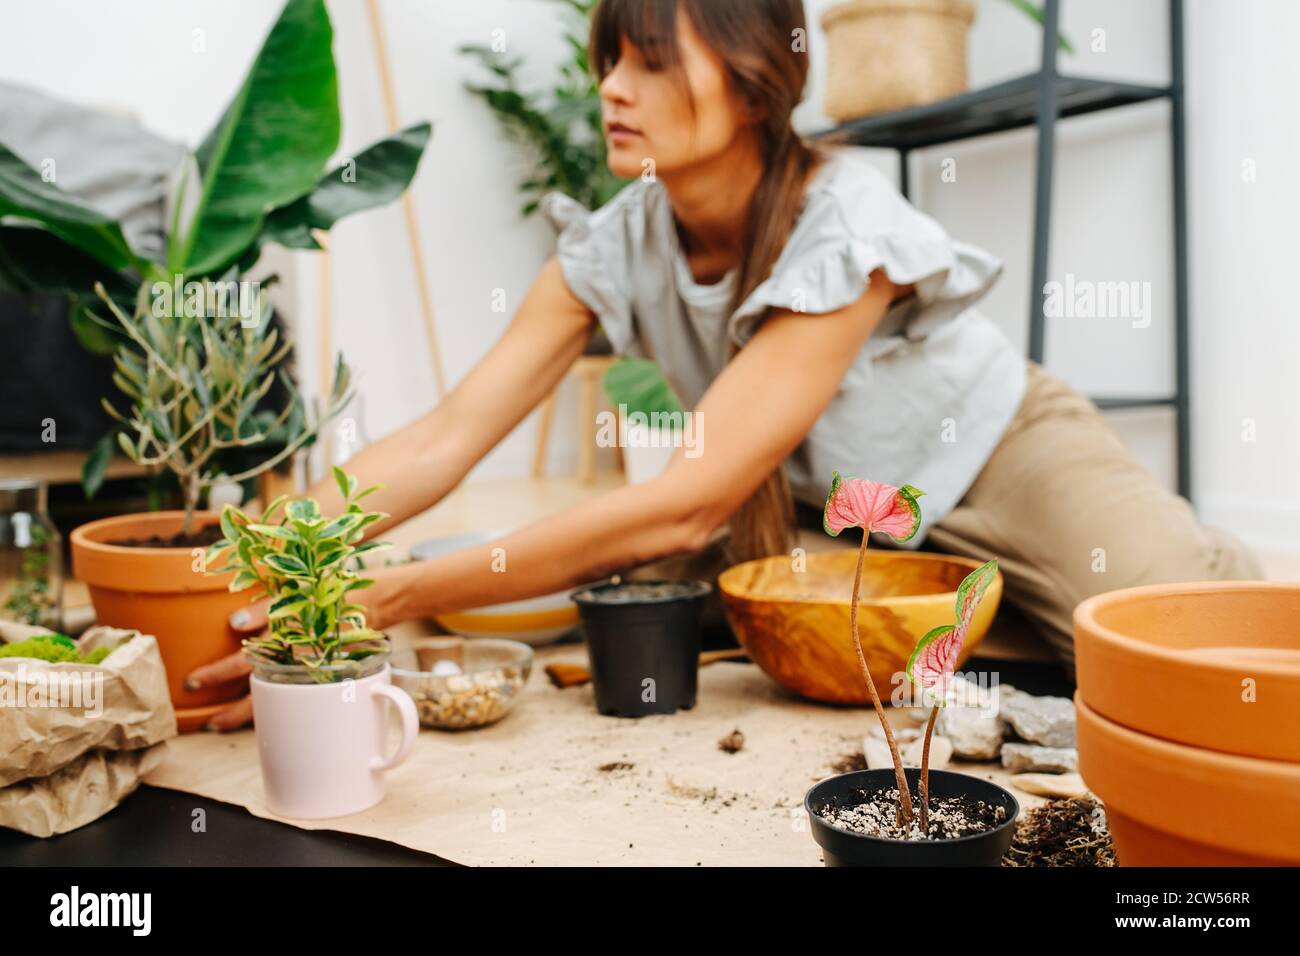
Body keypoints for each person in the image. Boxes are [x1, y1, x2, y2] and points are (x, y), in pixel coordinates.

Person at [186, 0, 1263, 730]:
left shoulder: (842, 220)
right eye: (609, 56)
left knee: (1172, 658)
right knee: (651, 608)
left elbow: (679, 500)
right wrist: (272, 554)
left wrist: (402, 587)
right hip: (829, 508)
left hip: (994, 454)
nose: (613, 86)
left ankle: (1174, 561)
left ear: (753, 87)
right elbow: (445, 434)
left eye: (650, 61)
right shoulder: (611, 244)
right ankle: (982, 611)